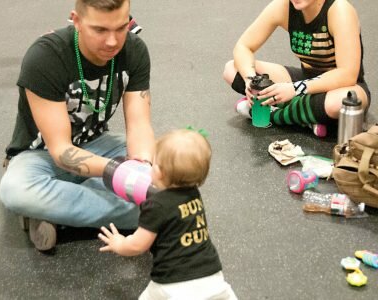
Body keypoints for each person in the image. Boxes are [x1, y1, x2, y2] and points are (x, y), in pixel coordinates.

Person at [0, 0, 154, 251]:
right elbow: (60, 150)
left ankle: (56, 212)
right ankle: (149, 216)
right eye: (100, 30)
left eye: (121, 28)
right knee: (15, 190)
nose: (113, 41)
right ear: (76, 20)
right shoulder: (46, 56)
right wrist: (123, 176)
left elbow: (139, 126)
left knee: (170, 162)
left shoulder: (134, 50)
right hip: (41, 155)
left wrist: (143, 168)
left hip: (98, 147)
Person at [98, 129, 238, 300]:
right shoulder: (194, 194)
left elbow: (137, 246)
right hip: (212, 277)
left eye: (154, 163)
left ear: (160, 172)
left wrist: (119, 243)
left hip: (173, 283)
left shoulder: (156, 205)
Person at [223, 0, 370, 137]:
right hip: (306, 79)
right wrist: (250, 80)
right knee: (232, 69)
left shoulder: (340, 10)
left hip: (345, 87)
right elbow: (243, 47)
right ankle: (306, 115)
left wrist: (296, 89)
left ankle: (272, 115)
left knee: (338, 103)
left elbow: (348, 74)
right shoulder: (283, 6)